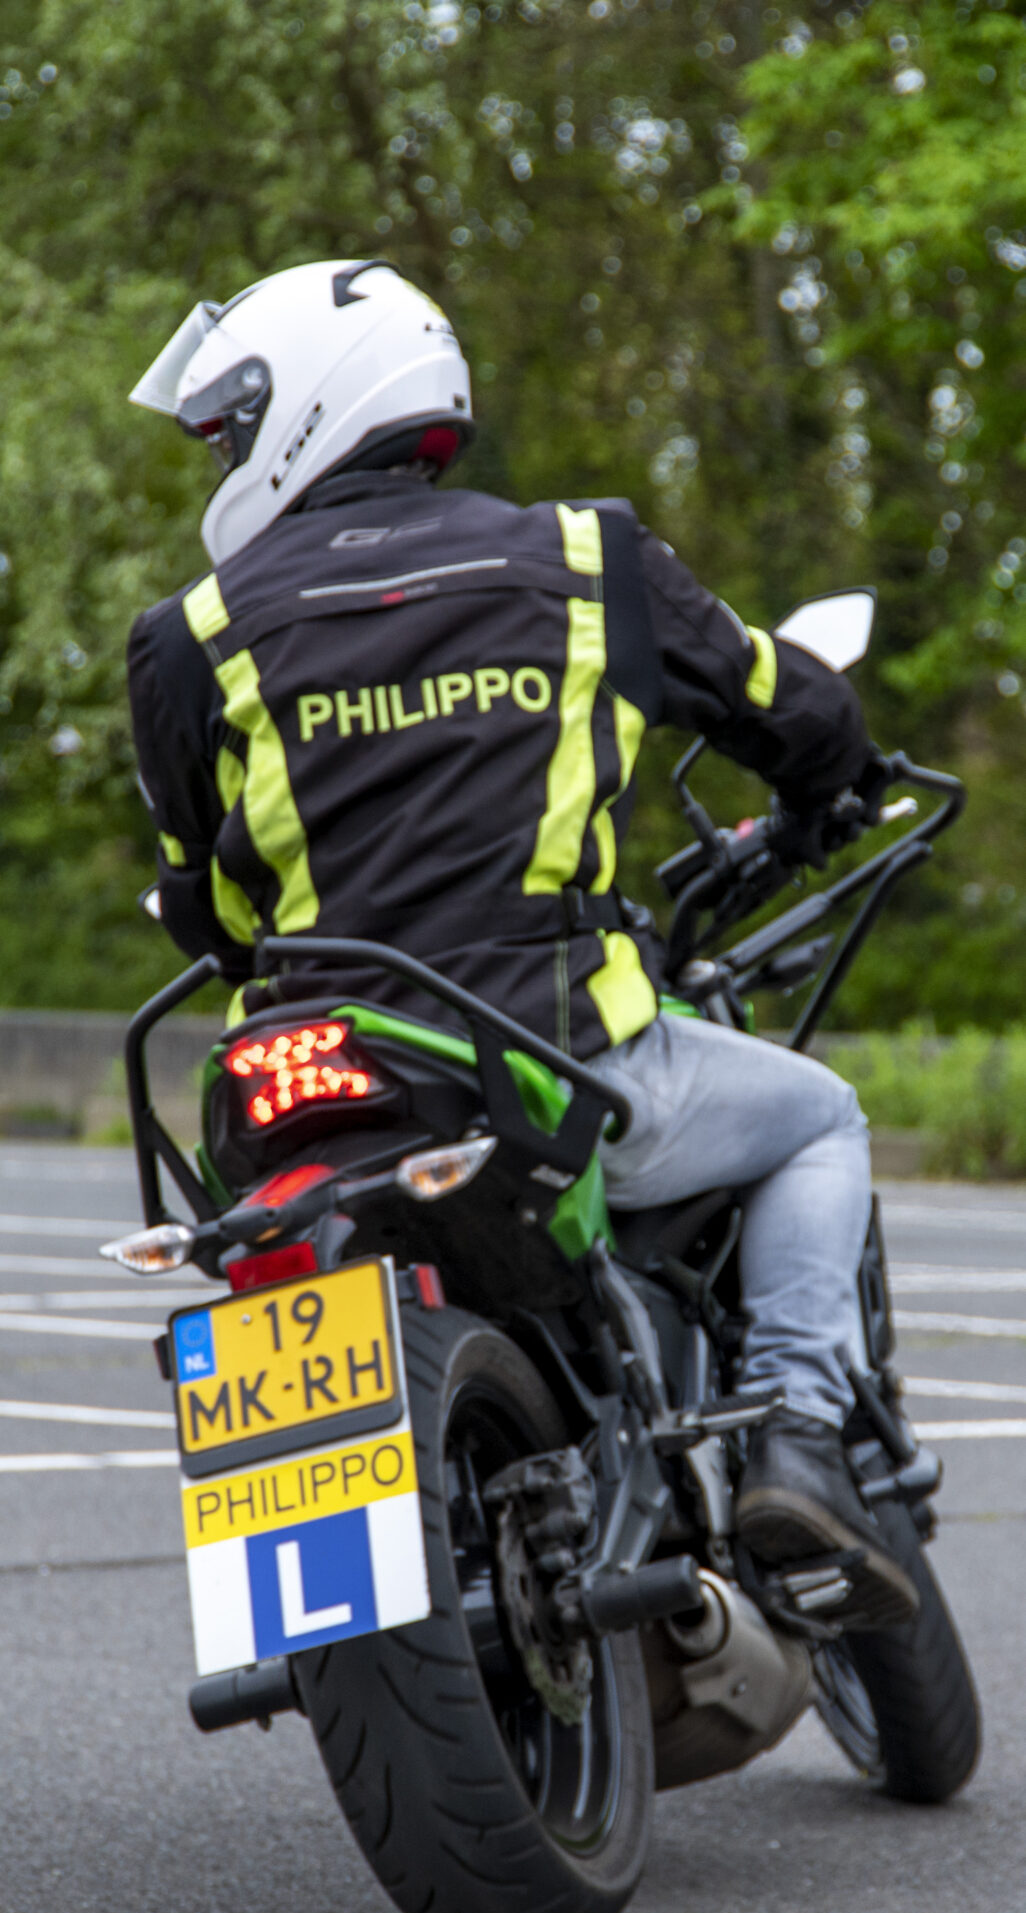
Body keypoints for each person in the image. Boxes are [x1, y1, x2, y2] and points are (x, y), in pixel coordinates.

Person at [126, 257, 917, 1630]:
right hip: (562, 1062)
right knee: (818, 1120)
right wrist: (823, 787)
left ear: (313, 406)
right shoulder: (584, 558)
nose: (225, 458)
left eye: (231, 428)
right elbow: (785, 707)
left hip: (314, 1073)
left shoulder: (187, 640)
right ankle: (794, 1429)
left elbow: (204, 906)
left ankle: (316, 1596)